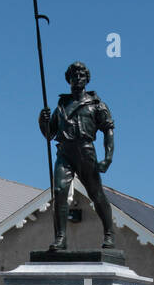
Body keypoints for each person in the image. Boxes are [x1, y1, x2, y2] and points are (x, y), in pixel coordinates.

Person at [38, 61, 116, 250]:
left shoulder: (97, 105)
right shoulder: (62, 107)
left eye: (81, 76)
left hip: (85, 151)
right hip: (64, 152)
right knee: (59, 191)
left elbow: (108, 131)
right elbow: (49, 134)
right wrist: (43, 120)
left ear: (87, 79)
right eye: (74, 76)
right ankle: (61, 237)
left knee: (96, 194)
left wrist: (108, 157)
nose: (77, 79)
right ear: (69, 80)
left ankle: (108, 233)